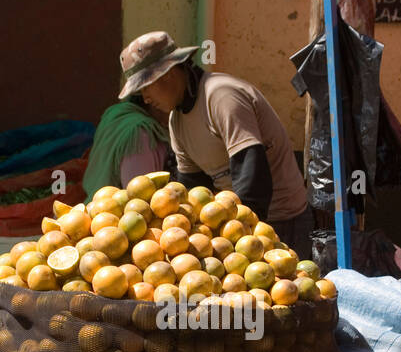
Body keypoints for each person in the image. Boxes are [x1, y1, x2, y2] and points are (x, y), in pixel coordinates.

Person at [118, 31, 314, 260]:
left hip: (280, 222)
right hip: (234, 223)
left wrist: (241, 238)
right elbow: (193, 188)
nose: (145, 99)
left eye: (145, 88)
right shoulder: (176, 121)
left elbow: (252, 176)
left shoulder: (221, 96)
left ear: (167, 74)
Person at [82, 95, 174, 200]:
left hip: (95, 204)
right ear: (149, 100)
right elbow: (139, 196)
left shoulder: (115, 113)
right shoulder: (139, 133)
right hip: (113, 212)